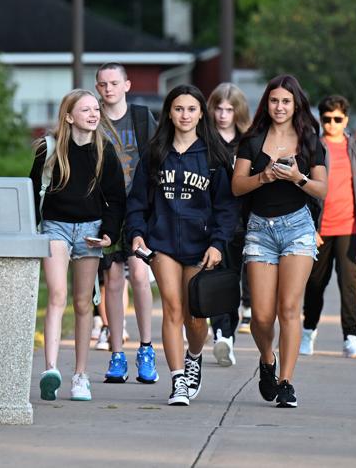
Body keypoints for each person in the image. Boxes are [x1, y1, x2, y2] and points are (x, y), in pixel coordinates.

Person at [126, 84, 238, 406]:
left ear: (201, 112)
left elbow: (226, 208)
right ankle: (178, 380)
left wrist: (218, 243)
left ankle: (194, 354)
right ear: (169, 113)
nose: (185, 115)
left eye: (191, 109)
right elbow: (138, 201)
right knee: (172, 308)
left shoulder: (214, 156)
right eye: (178, 109)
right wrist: (136, 232)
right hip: (162, 244)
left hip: (201, 246)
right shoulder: (155, 153)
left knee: (196, 317)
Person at [232, 74, 327, 408]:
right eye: (274, 100)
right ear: (266, 103)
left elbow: (321, 189)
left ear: (296, 103)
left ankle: (286, 382)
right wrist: (266, 175)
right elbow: (237, 186)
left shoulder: (310, 140)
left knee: (289, 308)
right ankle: (267, 360)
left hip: (297, 228)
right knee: (260, 316)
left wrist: (297, 177)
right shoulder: (253, 139)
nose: (280, 107)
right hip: (260, 230)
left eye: (286, 101)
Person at [29, 89, 126, 401]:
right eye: (85, 110)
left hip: (90, 230)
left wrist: (109, 233)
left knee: (84, 303)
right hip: (55, 227)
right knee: (57, 295)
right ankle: (51, 370)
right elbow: (31, 193)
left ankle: (81, 375)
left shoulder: (105, 152)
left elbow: (116, 199)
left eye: (96, 109)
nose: (93, 114)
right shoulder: (49, 149)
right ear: (69, 116)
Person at [301, 95, 356, 359]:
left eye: (337, 119)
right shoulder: (313, 148)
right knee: (315, 284)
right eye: (326, 119)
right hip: (319, 228)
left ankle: (350, 337)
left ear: (346, 120)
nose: (332, 124)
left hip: (350, 228)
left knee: (350, 284)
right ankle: (308, 331)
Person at [94, 62, 159, 383]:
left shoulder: (141, 118)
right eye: (103, 84)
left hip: (138, 209)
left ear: (127, 85)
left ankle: (146, 349)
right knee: (113, 280)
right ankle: (116, 352)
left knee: (139, 274)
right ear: (97, 88)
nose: (109, 89)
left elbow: (157, 160)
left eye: (114, 83)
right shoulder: (94, 120)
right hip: (108, 209)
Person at [206, 83, 252, 366]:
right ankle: (220, 335)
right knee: (213, 282)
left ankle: (228, 337)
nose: (223, 115)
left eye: (229, 109)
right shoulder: (203, 140)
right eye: (218, 108)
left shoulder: (249, 142)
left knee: (233, 283)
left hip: (241, 224)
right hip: (208, 223)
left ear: (238, 111)